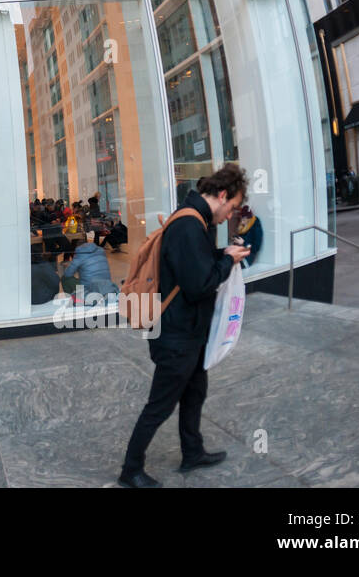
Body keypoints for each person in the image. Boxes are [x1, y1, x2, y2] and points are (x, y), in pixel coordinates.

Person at [118, 164, 252, 488]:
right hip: (176, 336)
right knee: (160, 405)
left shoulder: (194, 219)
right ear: (222, 195)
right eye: (232, 207)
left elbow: (195, 264)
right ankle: (130, 470)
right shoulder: (191, 223)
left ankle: (193, 451)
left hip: (187, 332)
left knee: (195, 393)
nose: (229, 215)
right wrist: (227, 260)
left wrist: (223, 254)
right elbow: (199, 284)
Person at [61, 234, 119, 300]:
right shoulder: (100, 250)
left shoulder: (80, 254)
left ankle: (76, 300)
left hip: (90, 290)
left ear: (76, 248)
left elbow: (68, 274)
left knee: (64, 279)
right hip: (106, 286)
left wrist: (70, 265)